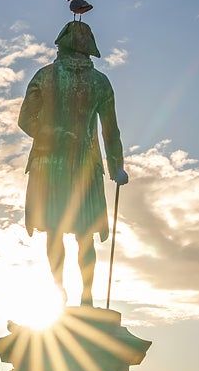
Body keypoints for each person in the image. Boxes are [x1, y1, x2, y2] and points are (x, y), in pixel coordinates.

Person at [18, 15, 128, 305]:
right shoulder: (100, 82)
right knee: (84, 234)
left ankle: (63, 292)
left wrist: (51, 134)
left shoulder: (45, 75)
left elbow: (26, 120)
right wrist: (116, 166)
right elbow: (111, 132)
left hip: (54, 164)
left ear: (62, 45)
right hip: (81, 165)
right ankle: (84, 296)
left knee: (56, 231)